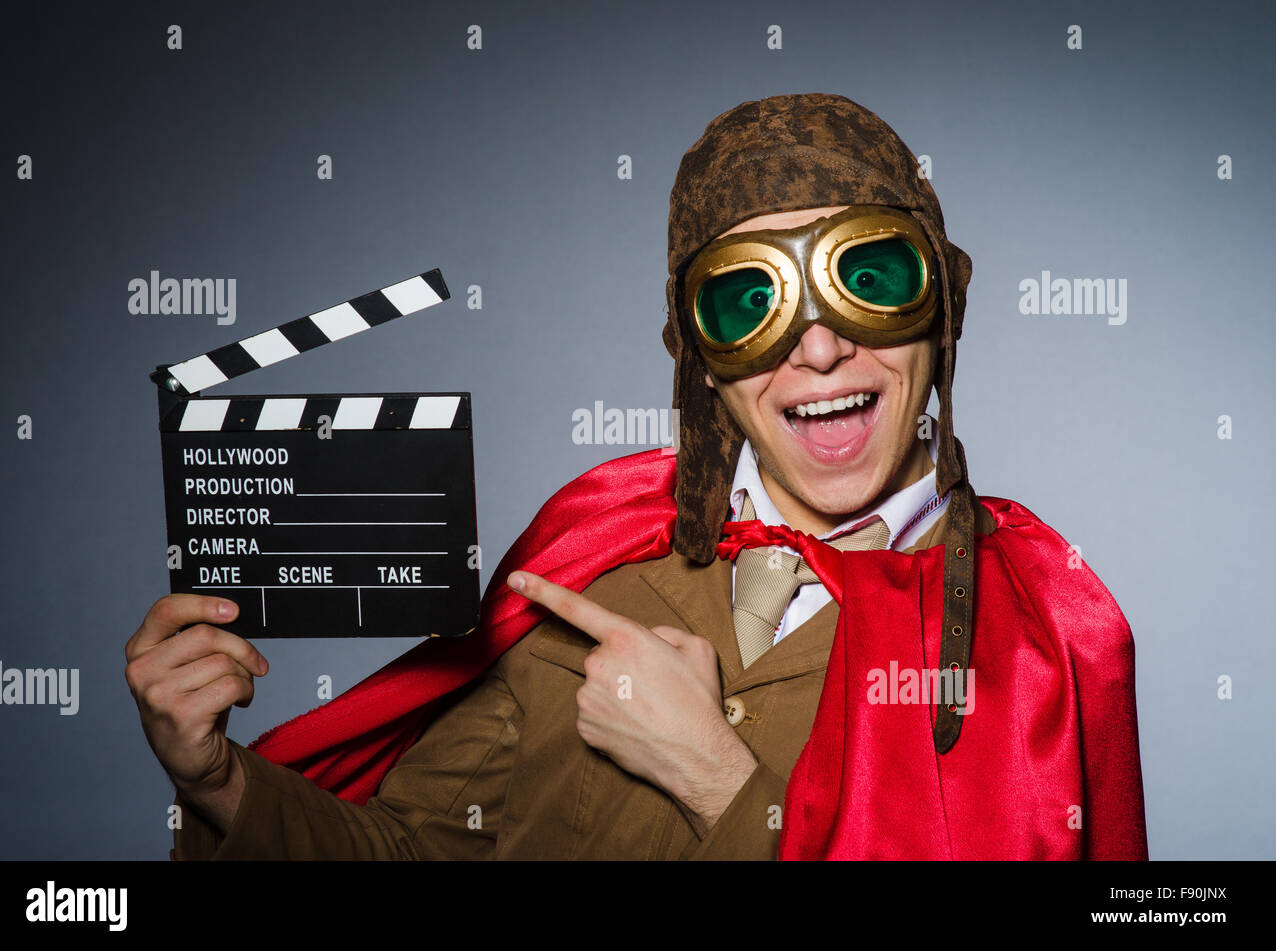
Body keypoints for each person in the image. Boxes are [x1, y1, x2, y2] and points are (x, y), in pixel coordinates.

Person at [125, 93, 1148, 860]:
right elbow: (415, 850)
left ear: (941, 308)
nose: (820, 349)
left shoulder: (1038, 638)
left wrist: (715, 776)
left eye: (867, 278)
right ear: (697, 355)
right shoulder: (596, 562)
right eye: (749, 301)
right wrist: (215, 781)